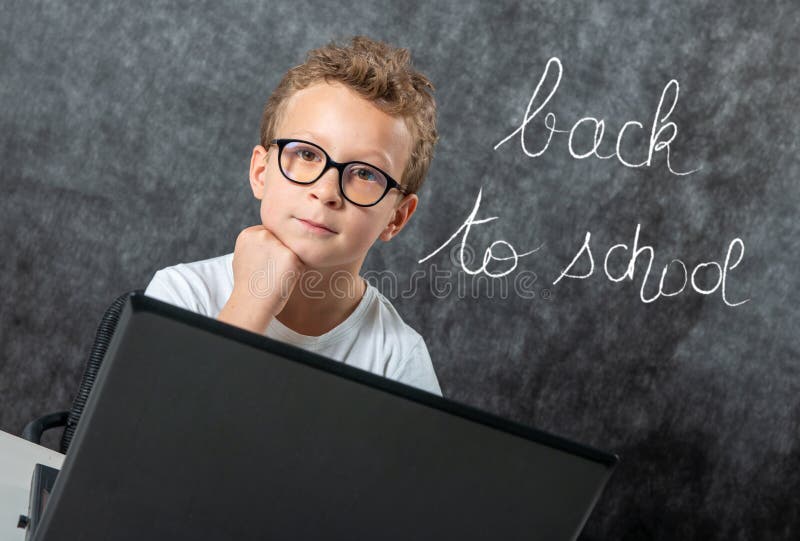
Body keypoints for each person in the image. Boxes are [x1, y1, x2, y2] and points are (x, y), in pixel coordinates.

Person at [144, 35, 442, 396]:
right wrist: (254, 301)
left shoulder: (397, 359)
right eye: (307, 154)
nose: (327, 191)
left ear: (396, 217)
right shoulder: (183, 296)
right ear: (260, 172)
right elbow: (151, 436)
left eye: (365, 173)